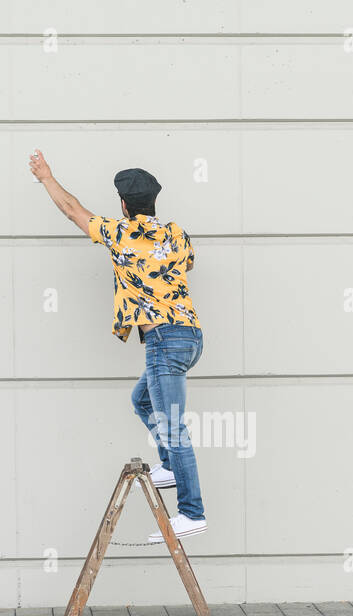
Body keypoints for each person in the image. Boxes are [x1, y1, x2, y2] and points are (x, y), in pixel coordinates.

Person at [28, 149, 206, 543]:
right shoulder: (176, 233)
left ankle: (192, 512)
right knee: (142, 401)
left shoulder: (120, 233)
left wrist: (46, 176)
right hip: (191, 337)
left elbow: (72, 209)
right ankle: (172, 468)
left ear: (123, 205)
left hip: (162, 339)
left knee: (175, 428)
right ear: (153, 202)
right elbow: (187, 264)